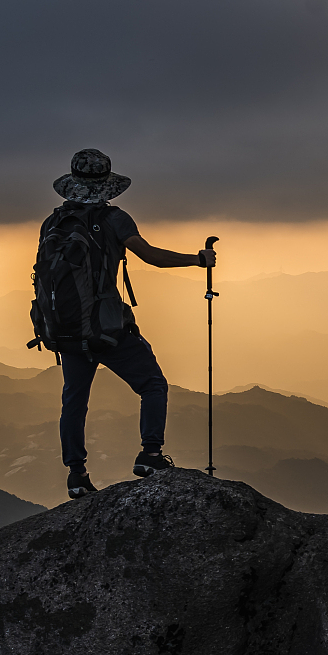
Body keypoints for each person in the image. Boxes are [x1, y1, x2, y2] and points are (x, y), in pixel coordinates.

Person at [43, 148, 215, 499]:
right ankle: (150, 455)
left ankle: (76, 476)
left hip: (67, 330)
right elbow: (150, 256)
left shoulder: (53, 223)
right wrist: (198, 260)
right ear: (107, 185)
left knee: (74, 402)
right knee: (152, 384)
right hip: (108, 328)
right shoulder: (115, 219)